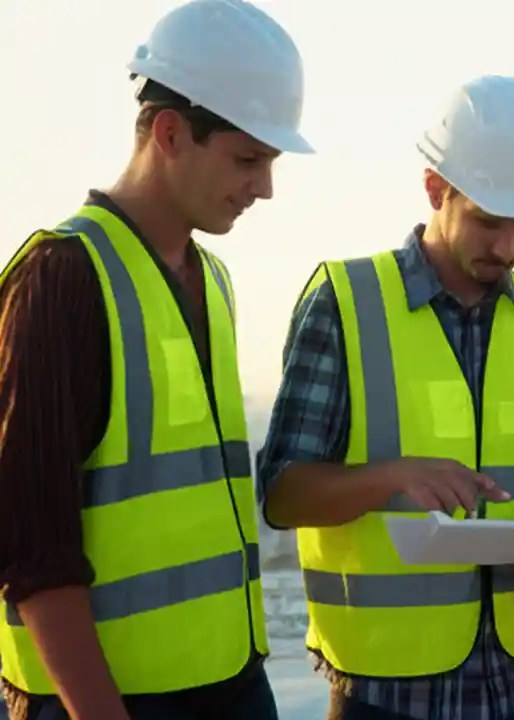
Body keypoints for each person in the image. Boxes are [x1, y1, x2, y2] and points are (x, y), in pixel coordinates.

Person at [0, 1, 313, 719]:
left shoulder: (214, 281)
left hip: (232, 684)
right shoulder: (62, 280)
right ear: (170, 133)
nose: (265, 187)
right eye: (247, 158)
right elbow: (33, 551)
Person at [255, 74, 514, 720]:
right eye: (490, 222)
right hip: (387, 695)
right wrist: (393, 477)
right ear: (435, 188)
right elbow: (281, 493)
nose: (509, 246)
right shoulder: (346, 304)